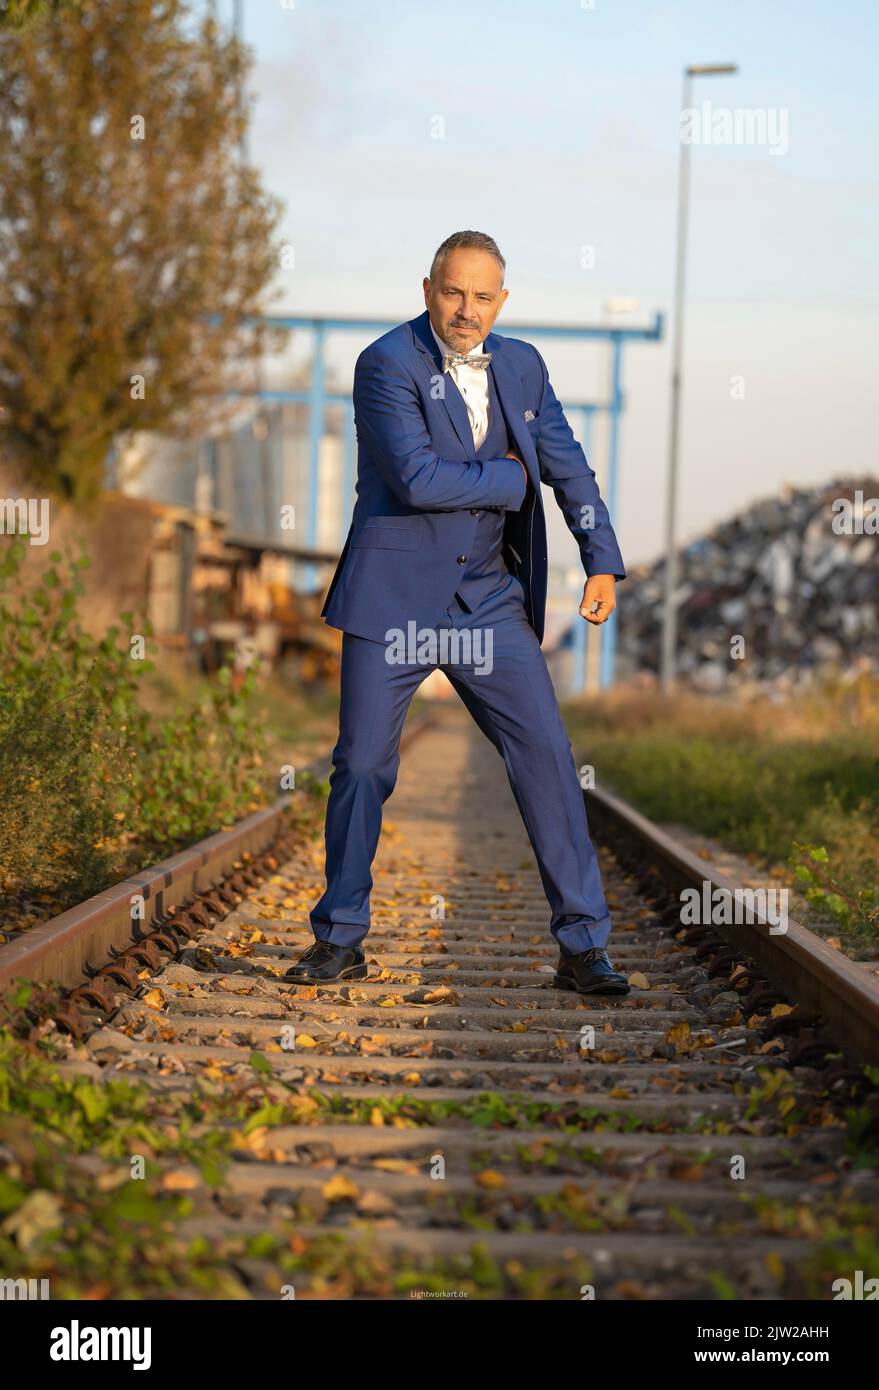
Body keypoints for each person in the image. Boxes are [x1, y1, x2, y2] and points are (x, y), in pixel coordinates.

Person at [289, 231, 628, 996]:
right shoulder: (384, 363)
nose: (465, 310)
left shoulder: (524, 366)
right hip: (393, 601)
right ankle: (340, 937)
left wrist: (600, 554)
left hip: (486, 603)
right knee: (362, 766)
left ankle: (582, 948)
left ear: (500, 303)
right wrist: (512, 481)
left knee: (545, 757)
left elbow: (567, 465)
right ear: (426, 289)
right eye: (452, 292)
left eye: (481, 297)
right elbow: (414, 478)